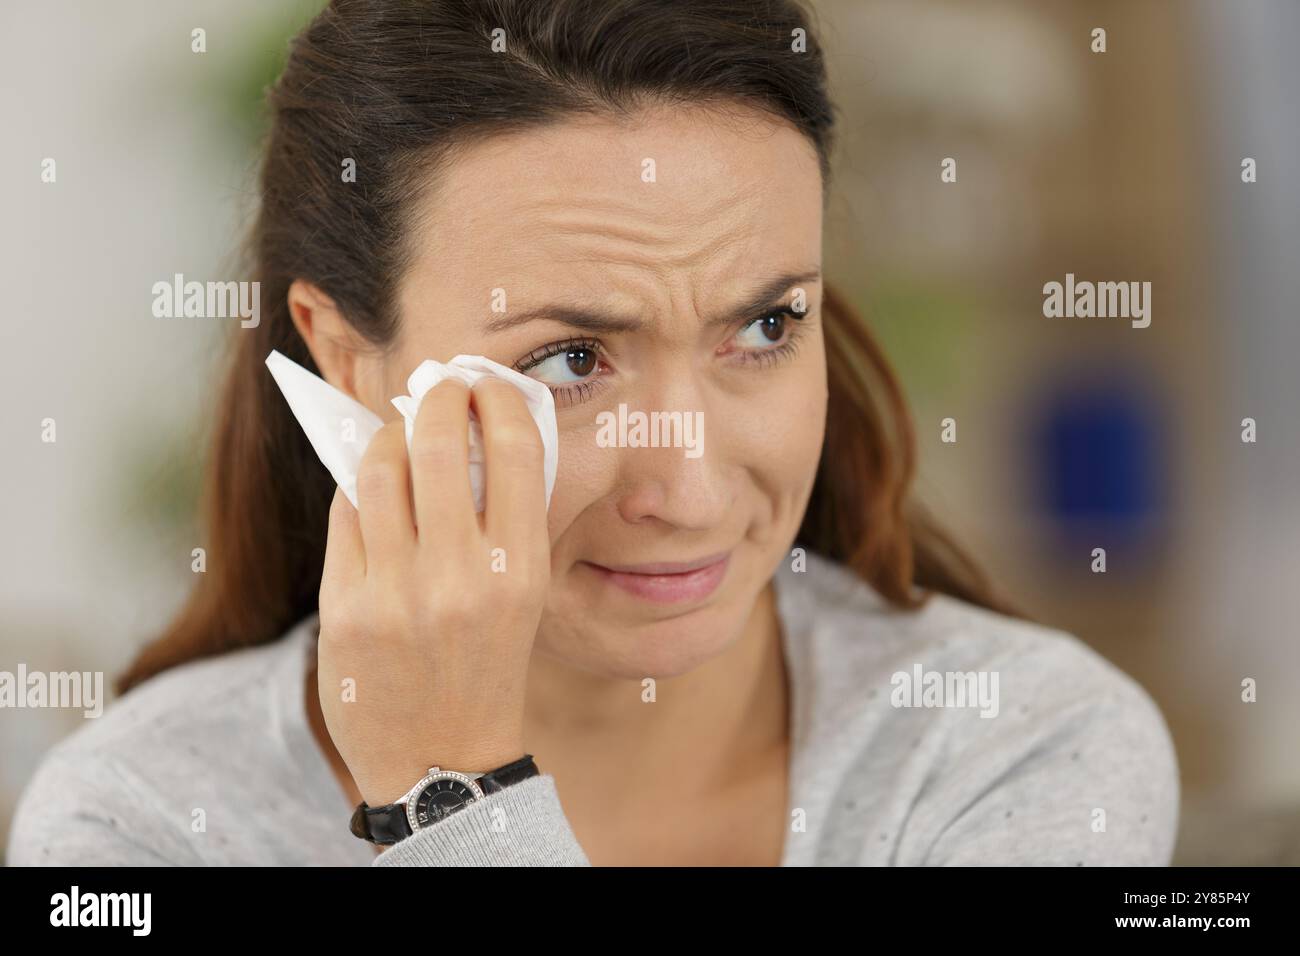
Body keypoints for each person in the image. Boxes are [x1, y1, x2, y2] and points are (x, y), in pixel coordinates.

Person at [7, 0, 1178, 867]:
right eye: (568, 360)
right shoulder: (142, 825)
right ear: (346, 357)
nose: (691, 483)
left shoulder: (1017, 749)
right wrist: (446, 787)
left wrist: (453, 803)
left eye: (764, 325)